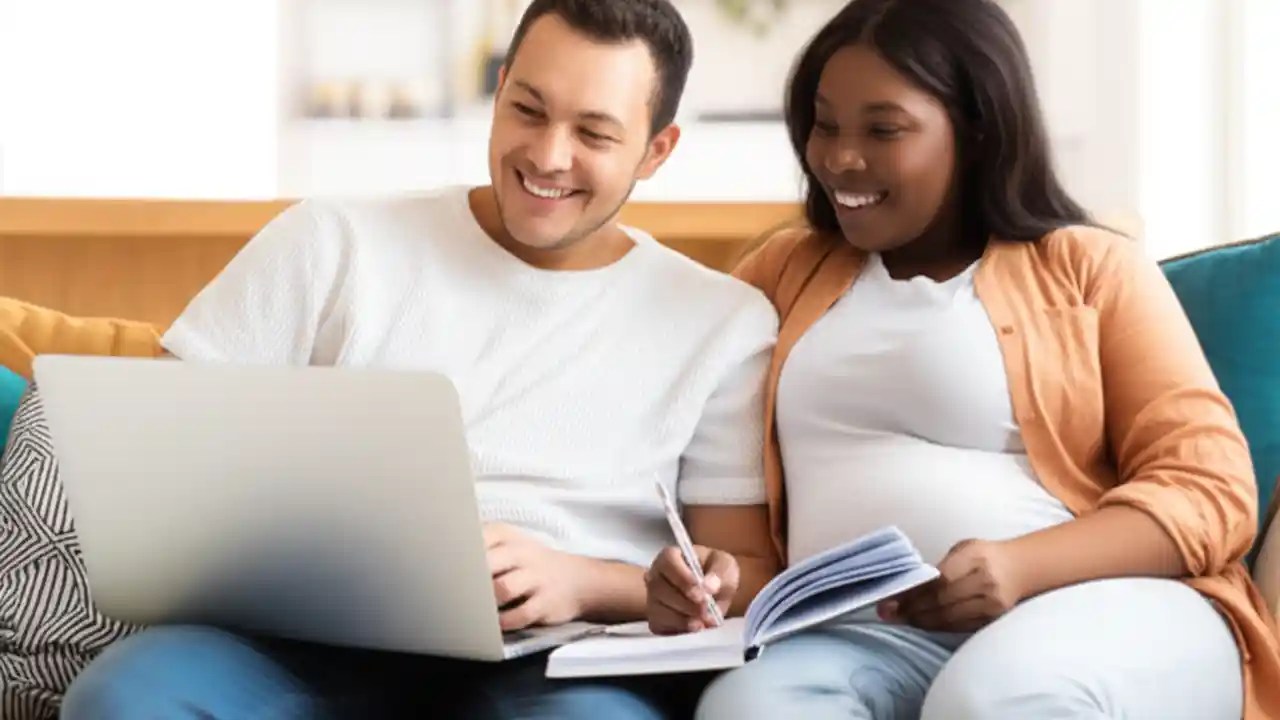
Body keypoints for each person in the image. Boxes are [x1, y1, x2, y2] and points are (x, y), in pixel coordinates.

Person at [60, 1, 780, 718]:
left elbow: (745, 573)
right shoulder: (333, 241)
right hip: (302, 642)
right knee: (128, 693)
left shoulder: (720, 322)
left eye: (593, 132)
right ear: (498, 92)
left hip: (559, 664)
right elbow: (153, 445)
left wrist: (588, 582)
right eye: (528, 110)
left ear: (656, 150)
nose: (548, 155)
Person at [644, 0, 1280, 718]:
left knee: (991, 699)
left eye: (883, 129)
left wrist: (1021, 566)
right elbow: (718, 490)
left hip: (1097, 609)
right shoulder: (778, 275)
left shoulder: (1090, 267)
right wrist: (711, 578)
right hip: (862, 637)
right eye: (825, 124)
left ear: (977, 130)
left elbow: (1213, 492)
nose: (840, 157)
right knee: (748, 709)